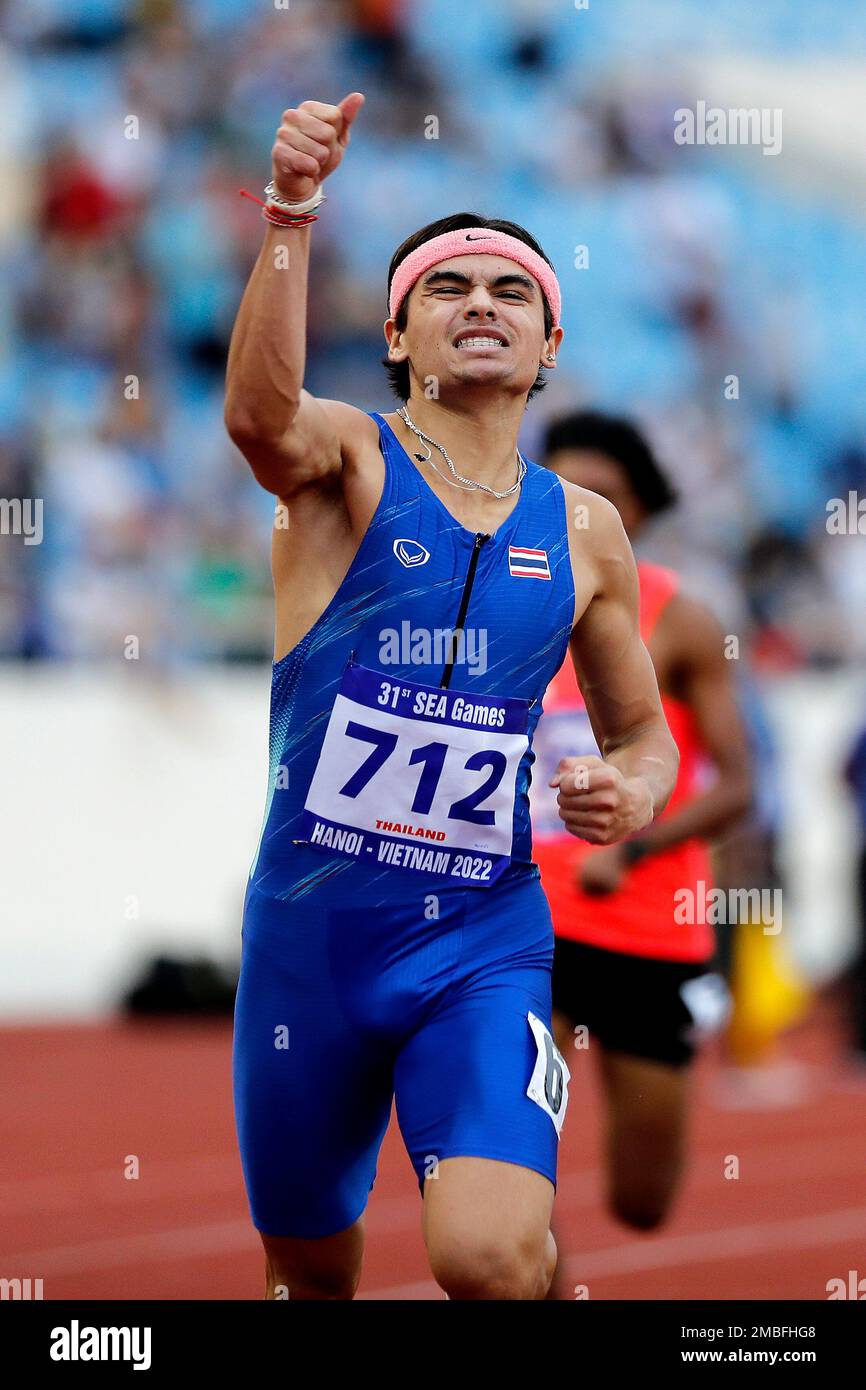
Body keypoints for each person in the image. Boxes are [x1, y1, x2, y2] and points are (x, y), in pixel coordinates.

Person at [224, 95, 678, 1301]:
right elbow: (258, 418)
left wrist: (624, 793)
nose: (480, 304)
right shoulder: (345, 464)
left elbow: (643, 738)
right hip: (312, 943)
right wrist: (291, 208)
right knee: (308, 1267)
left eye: (510, 291)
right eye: (447, 289)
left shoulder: (587, 533)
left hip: (481, 939)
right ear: (396, 337)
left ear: (548, 346)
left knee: (487, 1255)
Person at [531, 411, 753, 1257]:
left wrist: (635, 847)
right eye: (565, 491)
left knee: (642, 1203)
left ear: (641, 512)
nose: (582, 510)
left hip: (646, 928)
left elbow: (738, 785)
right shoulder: (498, 605)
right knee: (506, 1174)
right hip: (523, 922)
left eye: (607, 498)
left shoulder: (684, 622)